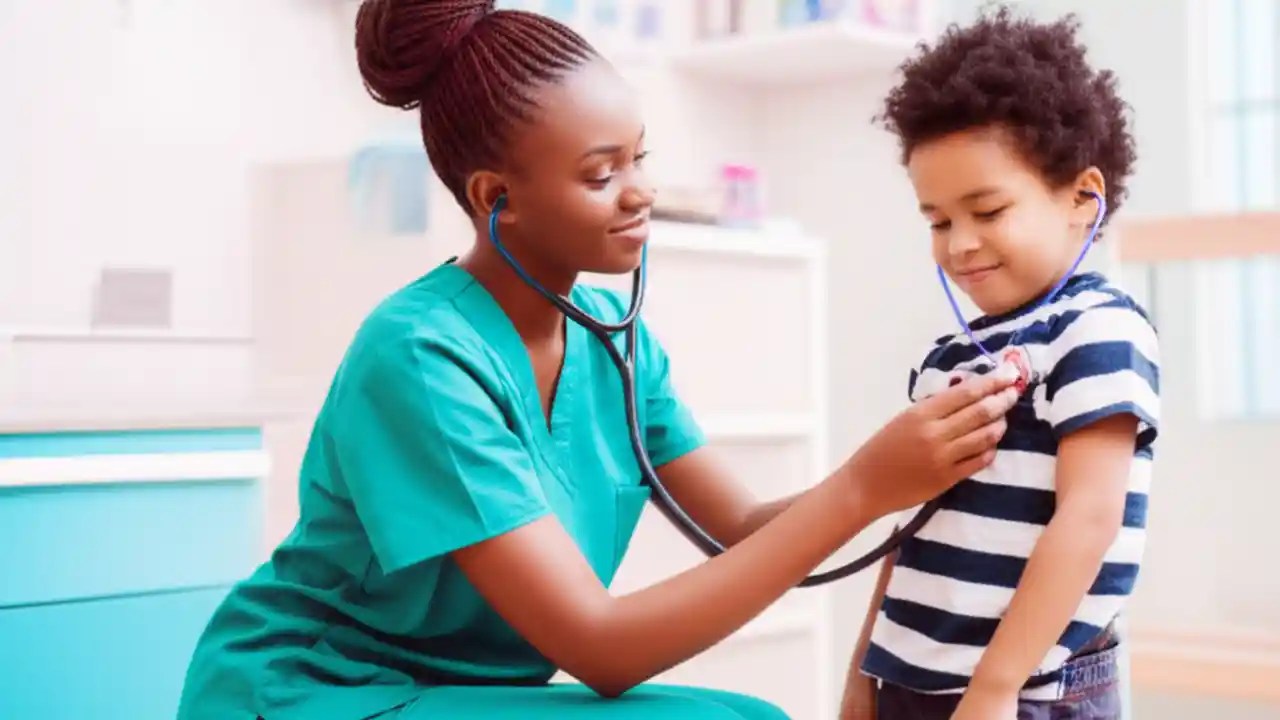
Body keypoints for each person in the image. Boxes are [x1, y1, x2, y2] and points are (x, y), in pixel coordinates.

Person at [174, 2, 1022, 718]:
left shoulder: (613, 341)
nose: (640, 191)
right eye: (600, 172)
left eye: (638, 158)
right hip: (315, 694)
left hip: (458, 693)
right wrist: (863, 487)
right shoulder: (420, 360)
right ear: (494, 198)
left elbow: (742, 530)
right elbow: (602, 649)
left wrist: (913, 463)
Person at [838, 7, 1160, 720]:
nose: (960, 245)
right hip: (911, 682)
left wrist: (996, 686)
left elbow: (1090, 516)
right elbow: (911, 525)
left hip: (1027, 693)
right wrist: (865, 670)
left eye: (987, 211)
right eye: (939, 220)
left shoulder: (1097, 329)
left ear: (1083, 198)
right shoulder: (946, 358)